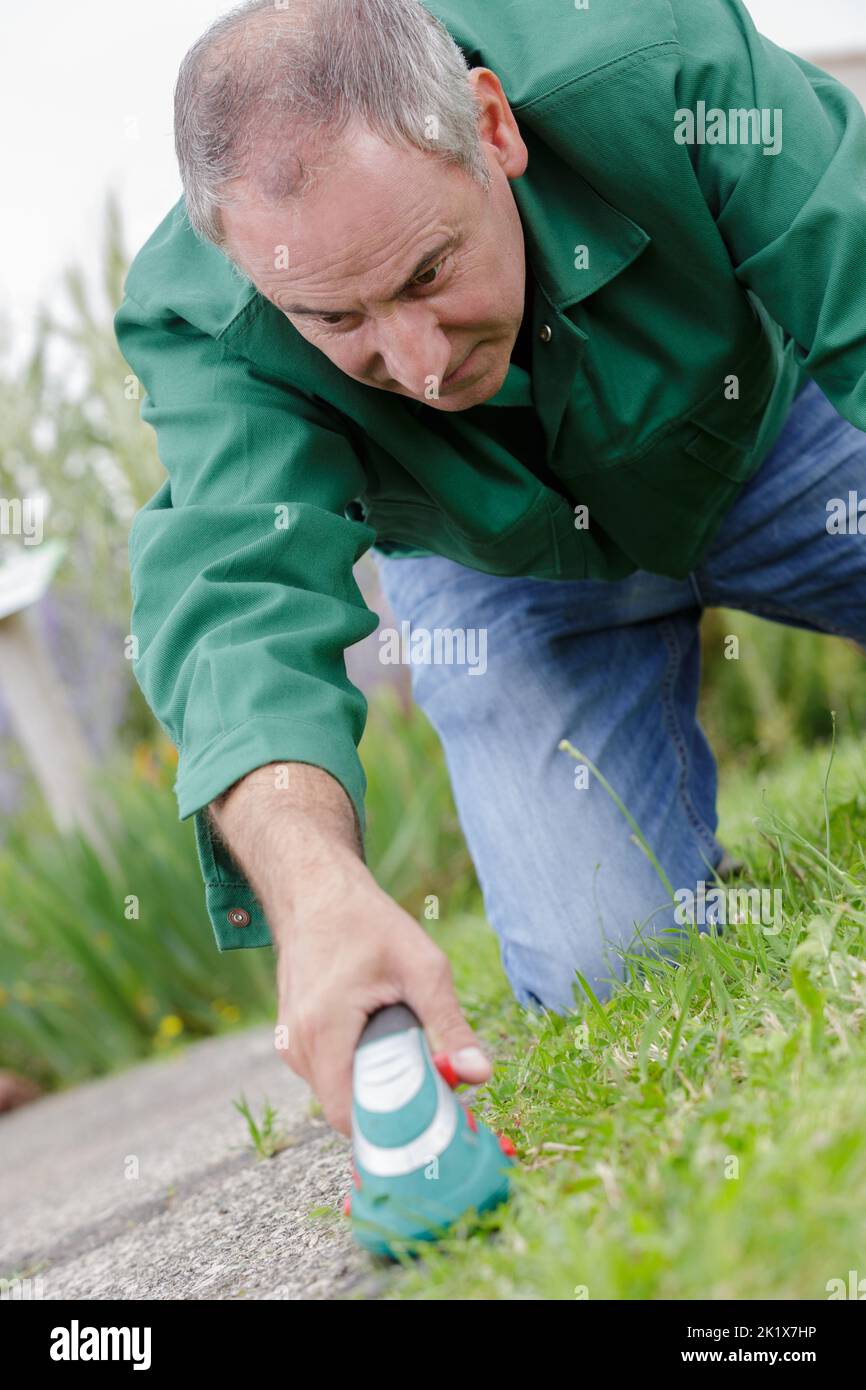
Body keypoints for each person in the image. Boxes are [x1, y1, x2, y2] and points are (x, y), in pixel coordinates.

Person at [114, 0, 866, 1136]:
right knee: (605, 961)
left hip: (768, 449)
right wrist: (317, 896)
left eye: (428, 272)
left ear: (491, 126)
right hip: (506, 574)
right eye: (337, 318)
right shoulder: (209, 320)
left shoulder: (652, 55)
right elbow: (235, 610)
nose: (417, 366)